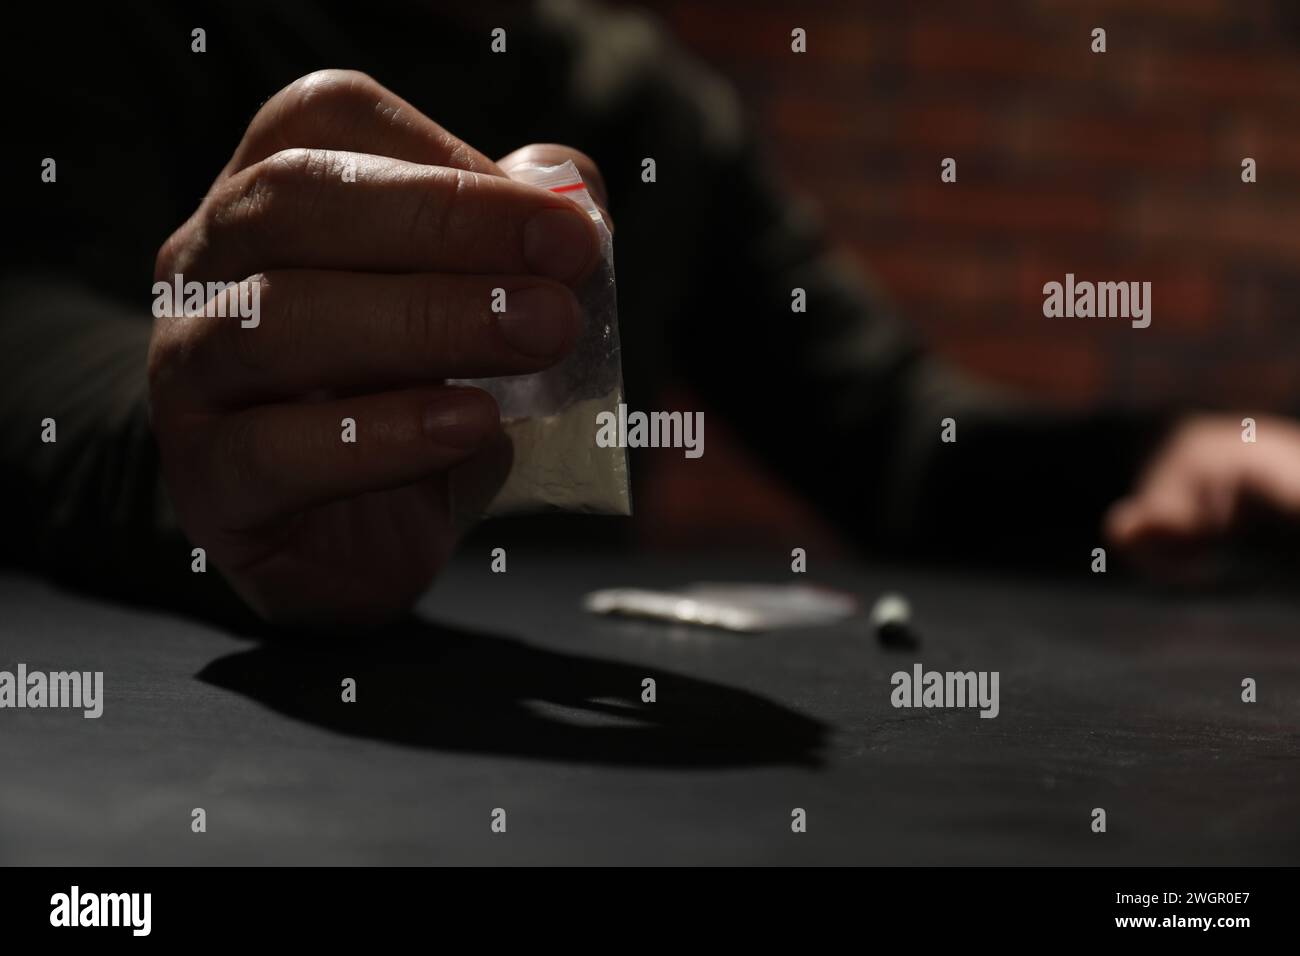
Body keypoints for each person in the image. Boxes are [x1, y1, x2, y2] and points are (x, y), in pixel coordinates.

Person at [5, 1, 1299, 628]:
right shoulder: (117, 26)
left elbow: (892, 424)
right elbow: (27, 320)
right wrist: (194, 432)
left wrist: (1154, 455)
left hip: (592, 750)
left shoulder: (646, 100)